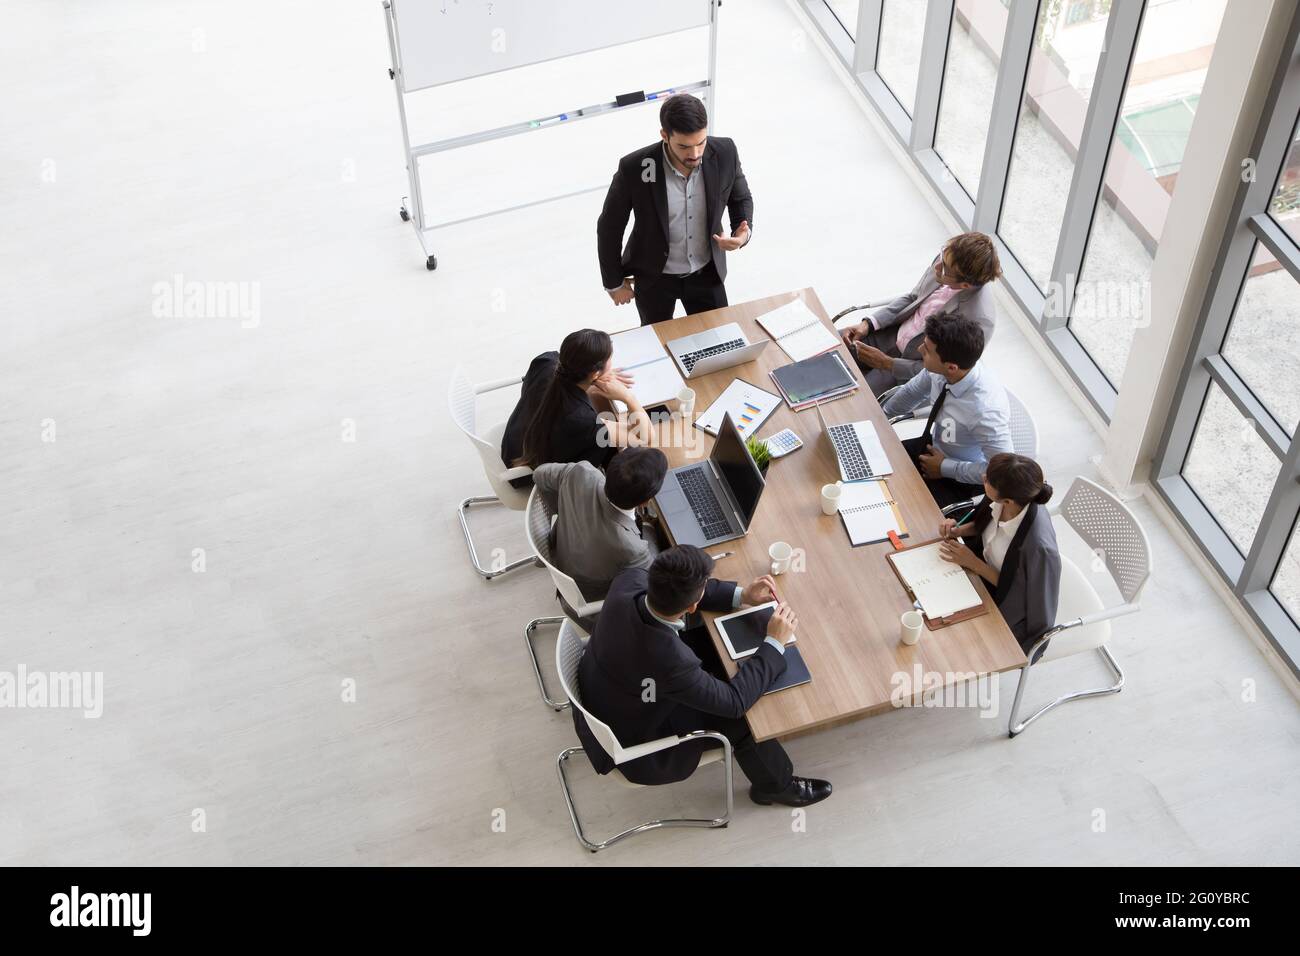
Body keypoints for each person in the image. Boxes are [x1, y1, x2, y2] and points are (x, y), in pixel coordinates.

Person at [572, 546, 832, 807]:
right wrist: (774, 642)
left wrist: (743, 595)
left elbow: (681, 595)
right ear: (693, 604)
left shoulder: (629, 582)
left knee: (710, 648)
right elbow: (734, 703)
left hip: (612, 689)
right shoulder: (670, 661)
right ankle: (776, 787)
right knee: (743, 720)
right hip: (639, 742)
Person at [596, 93, 753, 326]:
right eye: (684, 146)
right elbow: (610, 226)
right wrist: (614, 282)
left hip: (707, 273)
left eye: (701, 143)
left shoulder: (725, 151)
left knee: (719, 340)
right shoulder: (636, 167)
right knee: (656, 347)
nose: (695, 154)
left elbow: (740, 198)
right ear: (664, 136)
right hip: (654, 278)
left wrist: (742, 233)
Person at [841, 232, 1002, 396]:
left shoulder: (978, 321)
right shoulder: (946, 259)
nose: (937, 267)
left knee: (855, 400)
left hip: (909, 367)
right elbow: (913, 297)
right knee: (831, 344)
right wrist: (869, 323)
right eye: (941, 258)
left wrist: (888, 364)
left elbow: (942, 370)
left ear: (965, 285)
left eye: (944, 268)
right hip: (891, 334)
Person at [881, 314, 1012, 508]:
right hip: (933, 448)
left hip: (960, 479)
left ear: (951, 367)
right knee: (873, 466)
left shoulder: (985, 411)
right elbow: (911, 392)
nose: (919, 350)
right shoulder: (941, 369)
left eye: (926, 351)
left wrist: (945, 468)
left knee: (902, 508)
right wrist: (879, 420)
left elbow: (1002, 474)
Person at [936, 453, 1060, 657]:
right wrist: (959, 530)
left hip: (1000, 603)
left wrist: (973, 563)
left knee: (945, 642)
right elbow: (983, 523)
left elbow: (1022, 596)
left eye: (987, 480)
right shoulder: (1004, 495)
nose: (984, 477)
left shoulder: (1038, 548)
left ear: (1008, 501)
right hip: (976, 575)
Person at [533, 447, 669, 629]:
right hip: (594, 605)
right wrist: (649, 528)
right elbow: (655, 590)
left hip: (564, 559)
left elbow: (539, 475)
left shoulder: (581, 472)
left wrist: (562, 510)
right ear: (646, 501)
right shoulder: (631, 548)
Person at [500, 329, 647, 487]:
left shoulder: (546, 362)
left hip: (513, 449)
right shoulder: (582, 421)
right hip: (530, 475)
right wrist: (627, 397)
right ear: (594, 374)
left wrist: (593, 381)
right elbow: (641, 437)